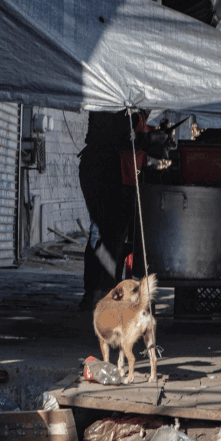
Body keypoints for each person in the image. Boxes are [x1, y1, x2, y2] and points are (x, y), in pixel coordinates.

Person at [77, 111, 138, 310]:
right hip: (107, 168)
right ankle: (103, 292)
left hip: (102, 165)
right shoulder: (115, 103)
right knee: (110, 233)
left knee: (103, 231)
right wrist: (147, 139)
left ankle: (96, 291)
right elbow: (119, 134)